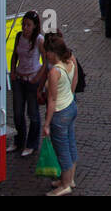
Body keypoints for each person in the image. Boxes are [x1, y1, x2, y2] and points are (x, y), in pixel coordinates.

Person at [42, 33, 79, 196]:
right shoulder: (70, 61)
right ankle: (69, 179)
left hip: (60, 113)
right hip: (71, 107)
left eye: (46, 53)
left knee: (62, 149)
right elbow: (74, 80)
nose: (45, 56)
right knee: (71, 144)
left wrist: (47, 123)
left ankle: (65, 185)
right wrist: (70, 96)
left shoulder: (54, 72)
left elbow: (52, 100)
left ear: (52, 53)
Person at [8, 10, 46, 158]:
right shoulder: (19, 36)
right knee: (17, 113)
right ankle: (19, 141)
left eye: (28, 25)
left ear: (35, 26)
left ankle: (31, 144)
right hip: (19, 79)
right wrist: (12, 71)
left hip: (31, 80)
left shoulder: (39, 40)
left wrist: (38, 78)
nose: (25, 28)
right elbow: (14, 56)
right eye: (24, 25)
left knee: (33, 113)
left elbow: (45, 60)